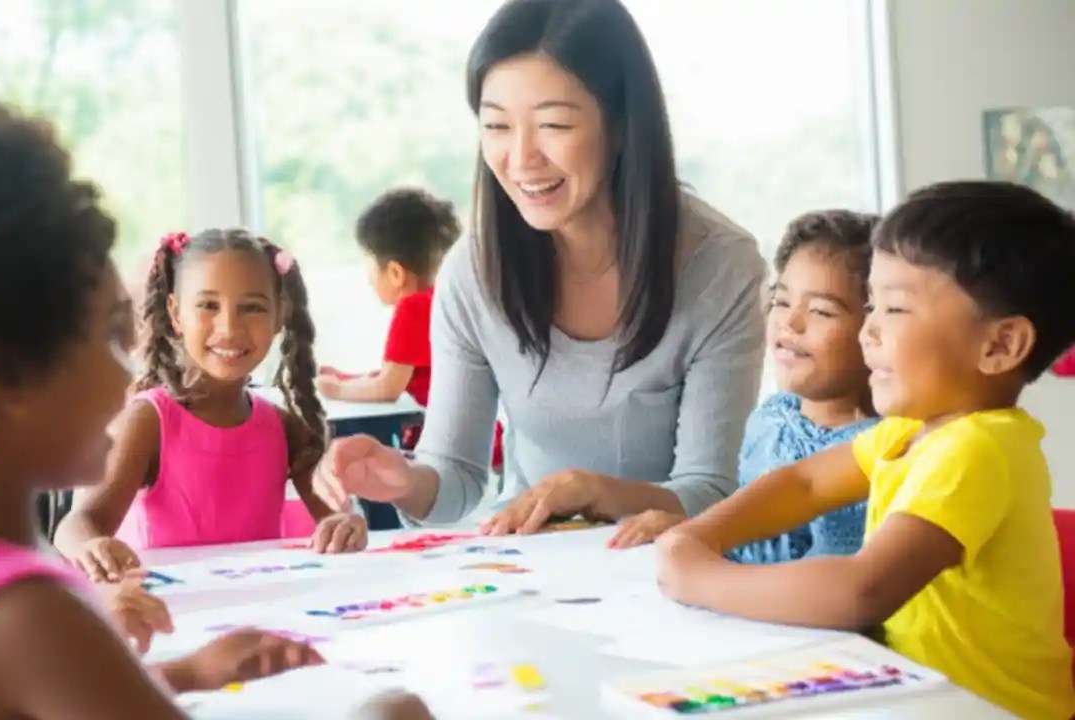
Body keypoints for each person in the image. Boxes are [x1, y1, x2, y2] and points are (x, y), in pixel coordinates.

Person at [0, 103, 325, 718]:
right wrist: (382, 714)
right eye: (106, 335)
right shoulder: (30, 615)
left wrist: (178, 674)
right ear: (10, 373)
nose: (129, 368)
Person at [313, 0, 765, 533]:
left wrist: (596, 493)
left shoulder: (721, 268)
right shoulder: (475, 271)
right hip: (531, 570)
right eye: (497, 126)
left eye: (552, 124)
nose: (521, 158)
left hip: (673, 574)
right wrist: (404, 481)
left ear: (621, 124)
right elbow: (455, 476)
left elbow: (711, 490)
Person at [655, 181, 1075, 720]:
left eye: (894, 309)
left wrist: (698, 576)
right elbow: (802, 484)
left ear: (999, 345)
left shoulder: (978, 448)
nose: (868, 331)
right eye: (871, 304)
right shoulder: (907, 431)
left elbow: (863, 590)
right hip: (918, 699)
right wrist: (700, 534)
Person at [56, 228, 368, 580]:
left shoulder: (284, 428)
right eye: (208, 305)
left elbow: (336, 516)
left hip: (261, 616)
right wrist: (91, 546)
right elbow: (77, 524)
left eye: (252, 307)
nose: (230, 327)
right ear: (175, 313)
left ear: (280, 314)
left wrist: (346, 523)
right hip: (169, 619)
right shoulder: (148, 422)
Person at [610, 210, 879, 553]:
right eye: (781, 301)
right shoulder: (771, 420)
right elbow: (753, 534)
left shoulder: (882, 449)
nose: (790, 324)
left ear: (877, 329)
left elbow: (817, 571)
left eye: (821, 311)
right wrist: (696, 530)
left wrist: (698, 535)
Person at [315, 187, 506, 471]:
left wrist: (337, 389)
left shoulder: (413, 309)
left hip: (454, 454)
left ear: (395, 273)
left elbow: (388, 388)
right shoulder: (452, 300)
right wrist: (350, 378)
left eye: (370, 266)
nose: (368, 279)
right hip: (491, 442)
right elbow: (412, 376)